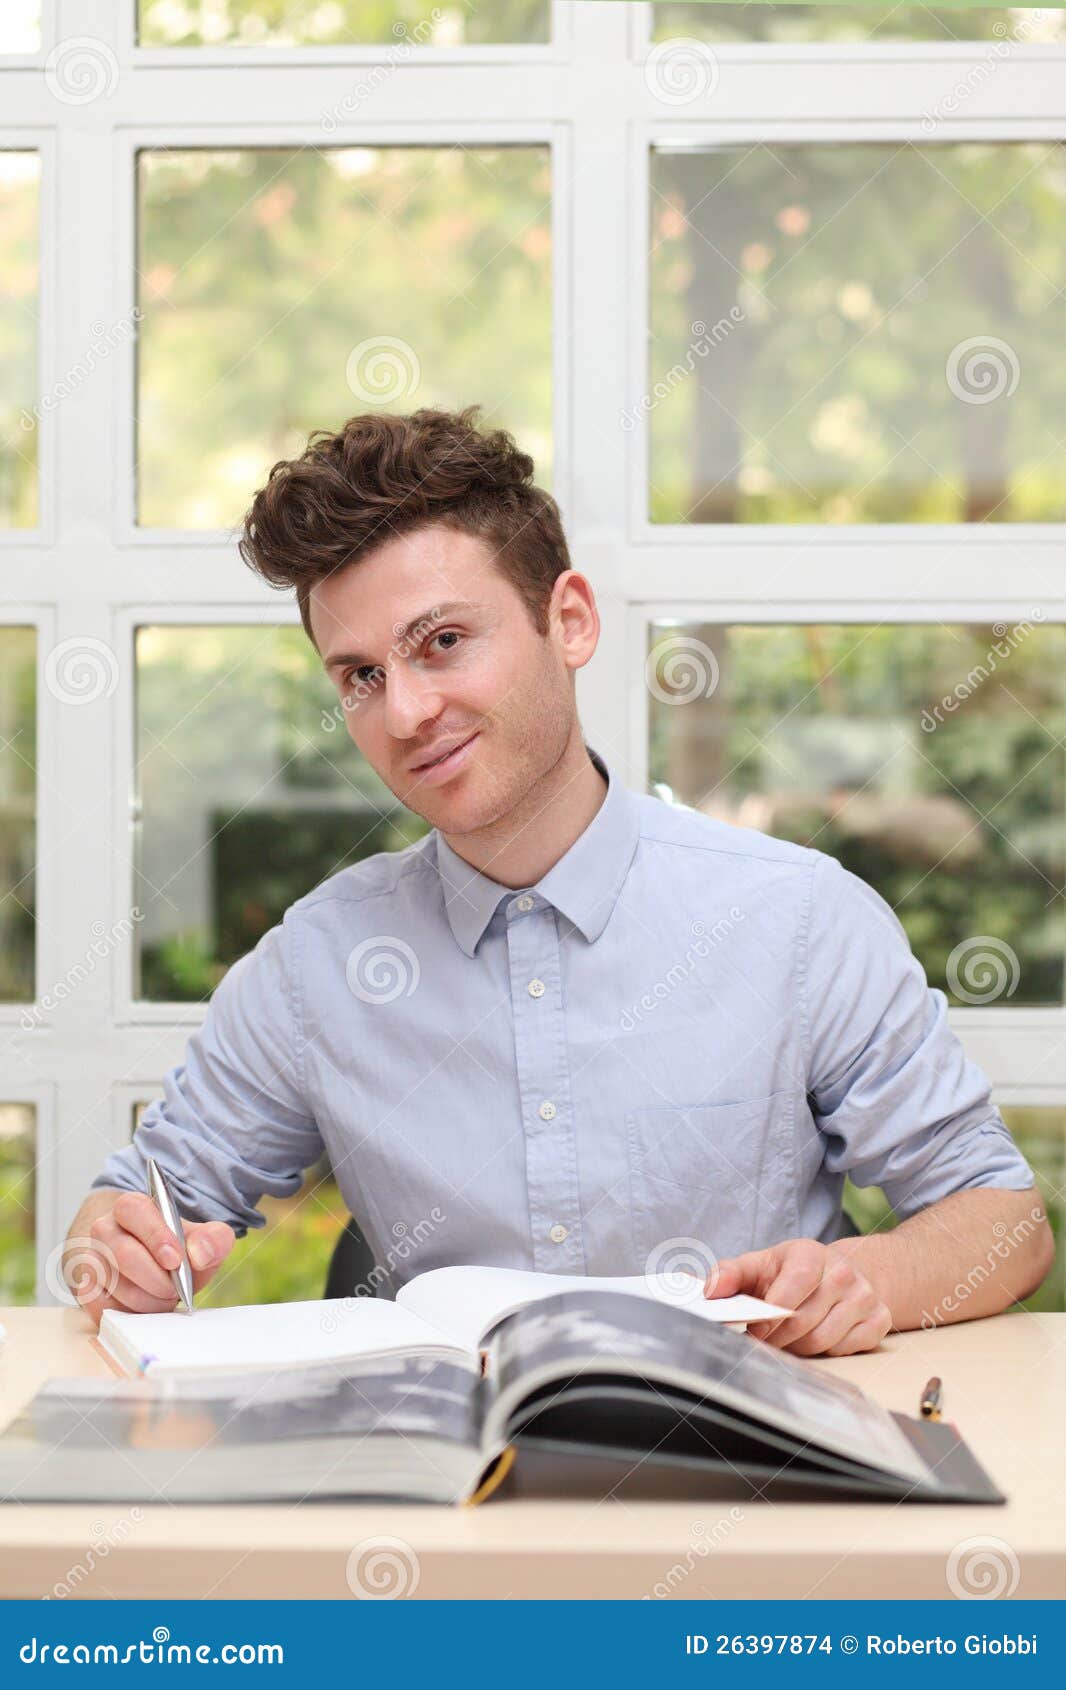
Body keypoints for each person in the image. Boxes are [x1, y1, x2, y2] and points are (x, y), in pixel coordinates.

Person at [64, 406, 1054, 1355]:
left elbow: (1004, 1225)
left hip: (745, 1486)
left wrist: (866, 1279)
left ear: (568, 620)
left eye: (441, 642)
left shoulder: (798, 921)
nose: (404, 712)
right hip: (443, 1502)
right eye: (359, 676)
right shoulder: (315, 967)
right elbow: (127, 1210)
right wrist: (119, 1250)